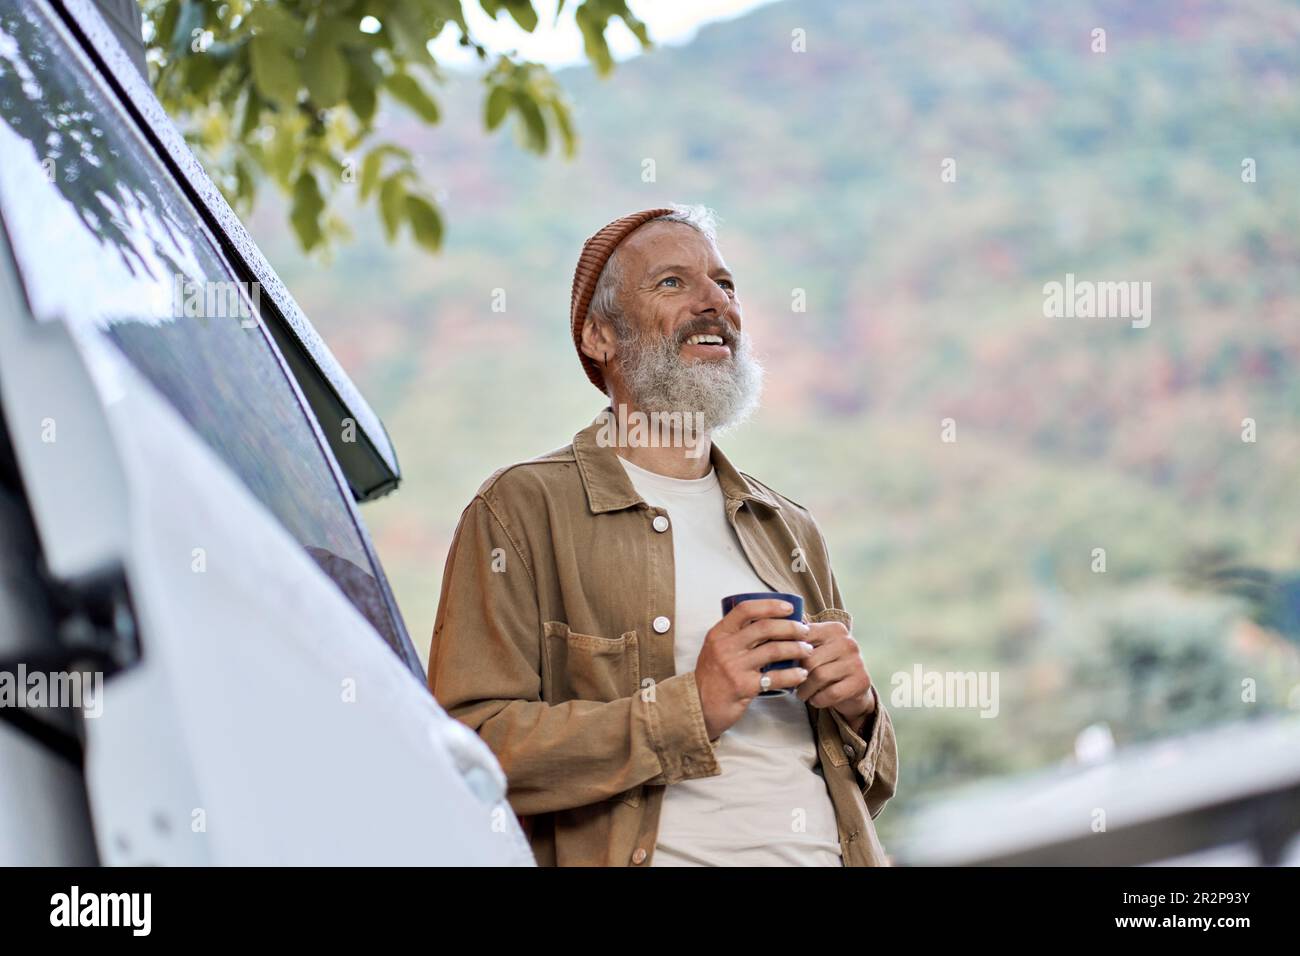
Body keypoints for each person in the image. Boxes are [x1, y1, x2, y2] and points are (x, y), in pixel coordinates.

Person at [428, 204, 897, 866]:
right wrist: (688, 708)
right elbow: (467, 750)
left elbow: (867, 786)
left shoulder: (789, 527)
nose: (715, 302)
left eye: (725, 284)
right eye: (673, 283)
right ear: (598, 337)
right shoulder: (520, 510)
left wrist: (860, 706)